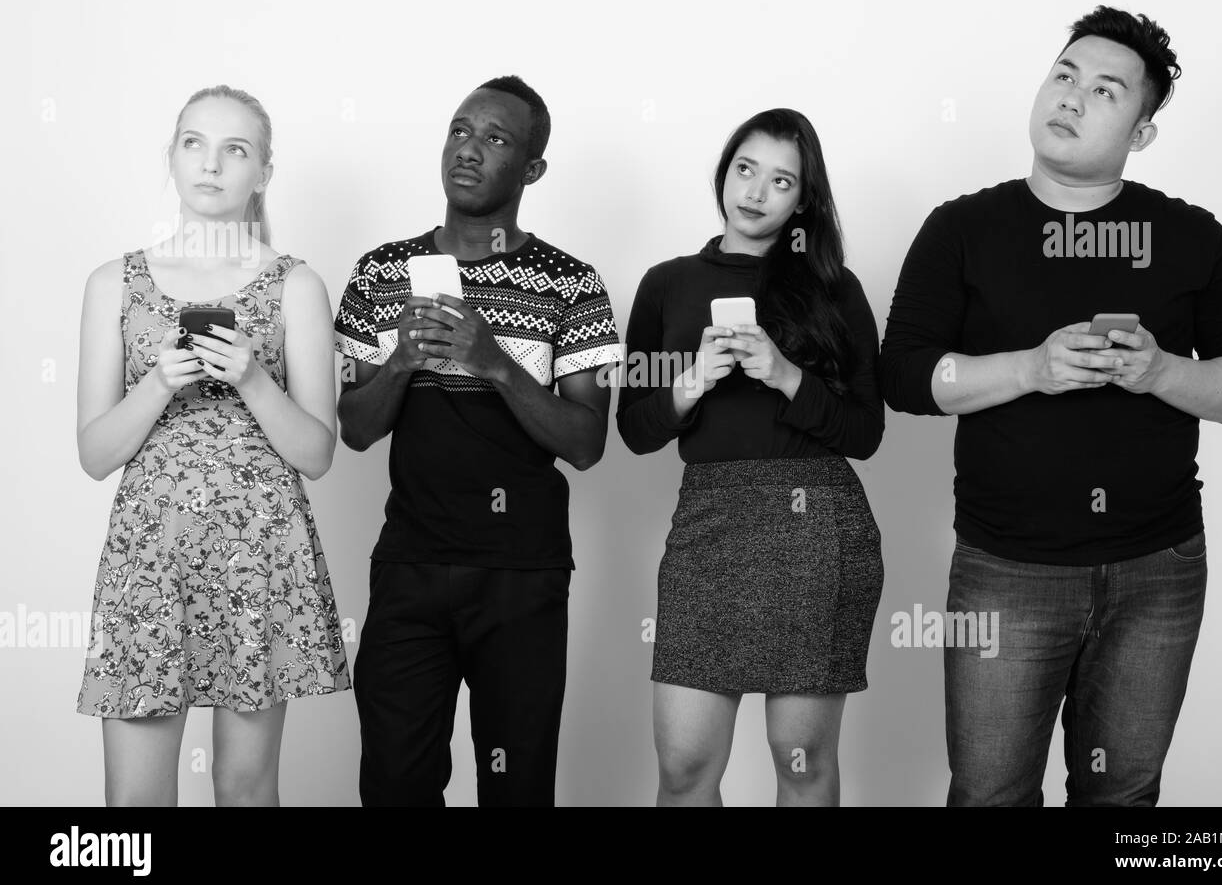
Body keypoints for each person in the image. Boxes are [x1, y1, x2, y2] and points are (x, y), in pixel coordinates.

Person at [878, 6, 1222, 806]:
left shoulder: (1192, 237)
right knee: (990, 794)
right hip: (1006, 569)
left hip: (1158, 570)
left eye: (1104, 91)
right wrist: (1031, 367)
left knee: (1123, 795)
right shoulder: (962, 229)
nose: (1070, 97)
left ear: (1140, 134)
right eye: (1064, 75)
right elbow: (904, 376)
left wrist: (1160, 371)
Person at [334, 75, 623, 807]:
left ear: (532, 169)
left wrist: (493, 361)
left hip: (521, 573)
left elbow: (587, 441)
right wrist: (401, 360)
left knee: (515, 787)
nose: (468, 149)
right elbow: (356, 428)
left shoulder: (571, 284)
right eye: (460, 131)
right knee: (396, 783)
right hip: (410, 565)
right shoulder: (380, 272)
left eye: (496, 139)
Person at [76, 85, 351, 806]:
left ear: (263, 171)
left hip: (261, 550)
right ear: (171, 155)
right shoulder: (114, 283)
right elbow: (95, 454)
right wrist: (158, 384)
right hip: (150, 552)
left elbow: (317, 454)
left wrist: (253, 378)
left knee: (245, 788)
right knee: (135, 801)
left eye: (236, 149)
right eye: (194, 143)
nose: (211, 163)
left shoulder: (296, 285)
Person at [617, 109, 886, 806]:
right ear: (724, 171)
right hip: (708, 524)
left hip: (816, 526)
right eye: (745, 169)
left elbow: (865, 433)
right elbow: (634, 431)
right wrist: (692, 382)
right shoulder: (667, 283)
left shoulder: (834, 288)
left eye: (781, 181)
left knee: (801, 762)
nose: (756, 192)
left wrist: (786, 374)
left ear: (804, 200)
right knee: (684, 768)